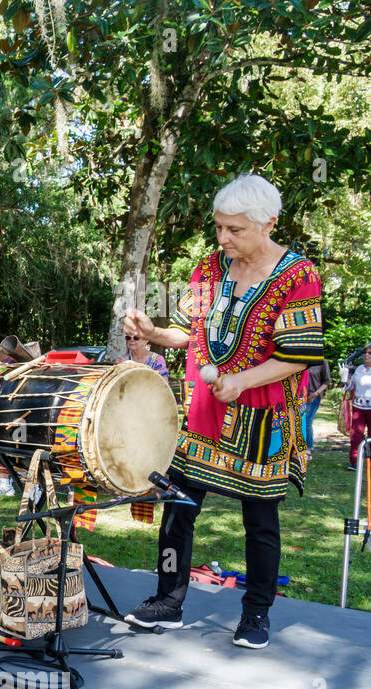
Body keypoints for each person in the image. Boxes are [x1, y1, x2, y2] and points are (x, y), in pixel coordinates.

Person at [123, 174, 324, 650]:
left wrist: (242, 381)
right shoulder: (208, 269)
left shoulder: (299, 275)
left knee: (260, 521)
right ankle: (167, 602)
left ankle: (256, 614)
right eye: (219, 227)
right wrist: (153, 332)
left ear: (268, 223)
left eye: (234, 229)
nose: (223, 238)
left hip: (263, 420)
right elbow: (192, 336)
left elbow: (300, 353)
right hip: (203, 413)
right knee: (176, 506)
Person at [347, 346, 371, 470]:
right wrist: (347, 382)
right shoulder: (359, 369)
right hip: (358, 407)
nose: (366, 355)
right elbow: (351, 387)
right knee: (356, 434)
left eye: (369, 353)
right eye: (364, 353)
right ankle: (355, 462)